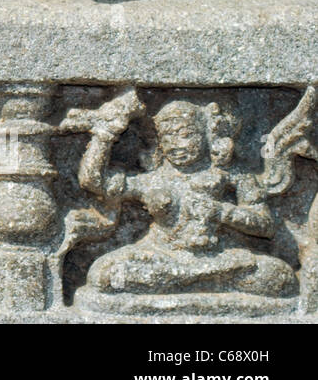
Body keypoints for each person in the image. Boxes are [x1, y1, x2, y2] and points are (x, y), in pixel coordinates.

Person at [79, 98, 295, 297]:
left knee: (279, 276)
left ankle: (183, 281)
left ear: (207, 135)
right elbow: (95, 182)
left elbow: (265, 225)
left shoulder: (231, 174)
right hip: (160, 255)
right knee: (103, 273)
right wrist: (104, 135)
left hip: (219, 256)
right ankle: (199, 281)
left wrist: (222, 212)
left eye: (185, 134)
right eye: (167, 137)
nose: (176, 145)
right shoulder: (152, 180)